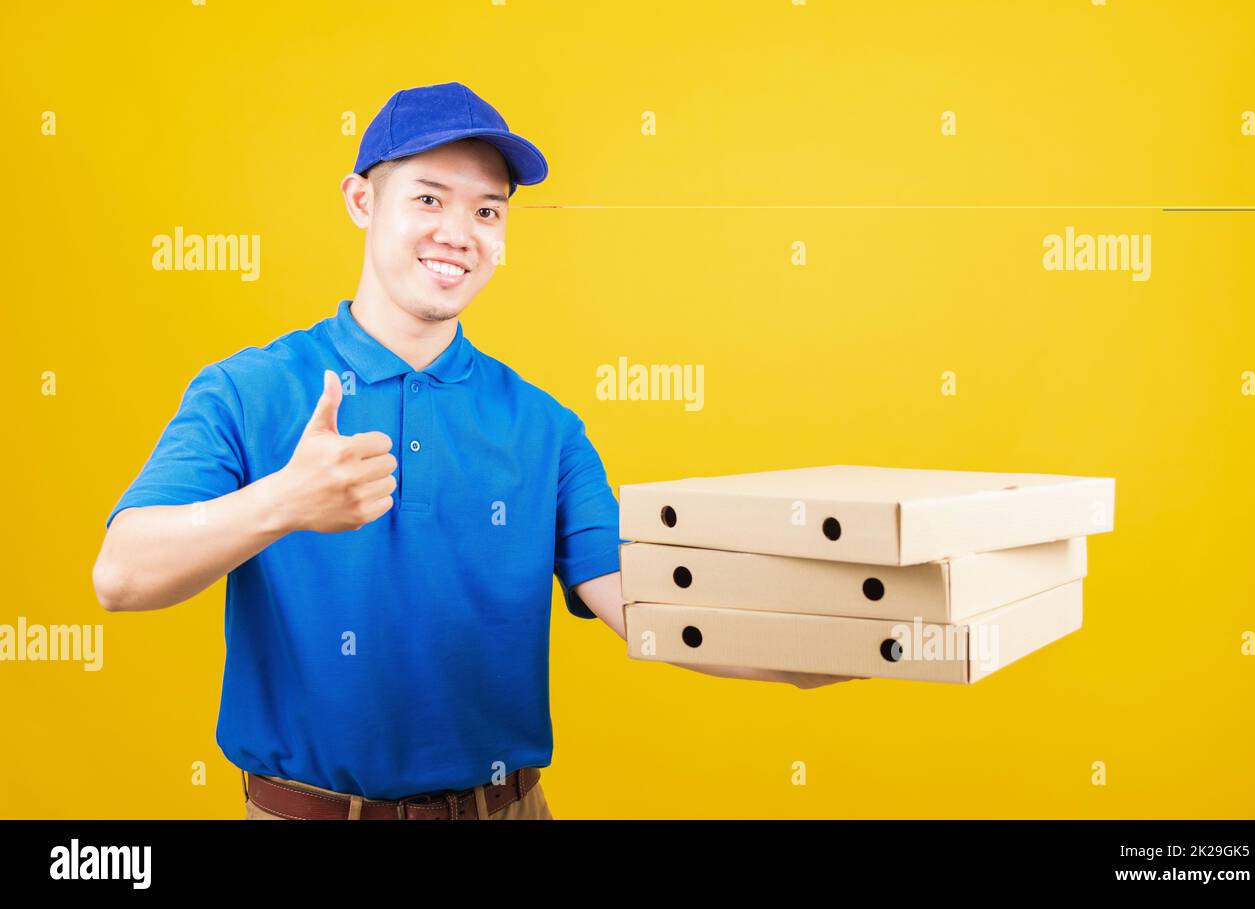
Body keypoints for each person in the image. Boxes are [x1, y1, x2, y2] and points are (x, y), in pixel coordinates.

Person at [92, 82, 854, 821]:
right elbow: (122, 575)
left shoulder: (544, 426)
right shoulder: (247, 388)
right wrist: (285, 501)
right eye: (429, 198)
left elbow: (645, 600)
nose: (460, 232)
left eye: (487, 210)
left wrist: (824, 648)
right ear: (362, 201)